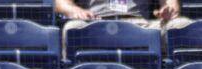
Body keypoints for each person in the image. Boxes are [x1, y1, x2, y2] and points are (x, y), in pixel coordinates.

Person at [55, 0, 191, 57]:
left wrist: (169, 11)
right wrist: (75, 10)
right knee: (72, 28)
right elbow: (61, 3)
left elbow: (171, 4)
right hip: (97, 23)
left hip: (140, 25)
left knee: (181, 25)